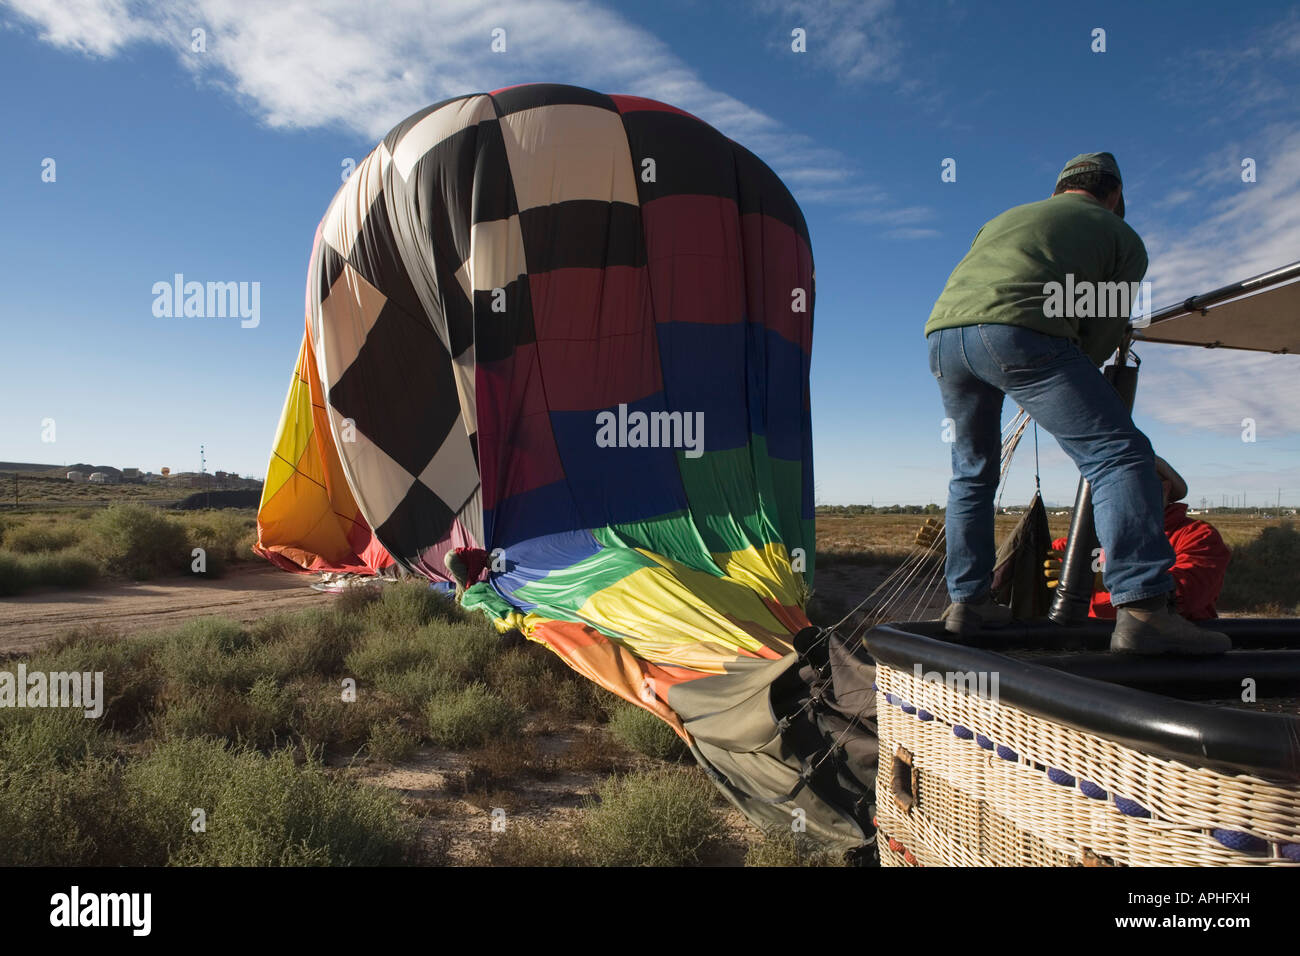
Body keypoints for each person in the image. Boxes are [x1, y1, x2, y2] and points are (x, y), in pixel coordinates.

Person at [924, 151, 1230, 654]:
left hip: (943, 339)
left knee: (972, 472)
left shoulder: (1002, 220)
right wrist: (1064, 377)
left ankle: (969, 603)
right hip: (1020, 334)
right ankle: (1144, 611)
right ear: (1114, 196)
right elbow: (1104, 328)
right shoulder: (1119, 235)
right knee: (1121, 455)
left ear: (1061, 188)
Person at [1045, 456, 1229, 621]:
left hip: (1170, 649)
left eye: (1132, 483)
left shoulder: (1197, 536)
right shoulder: (1080, 542)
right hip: (1094, 645)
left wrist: (1113, 582)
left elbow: (1187, 594)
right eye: (1111, 487)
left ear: (1164, 488)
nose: (1121, 494)